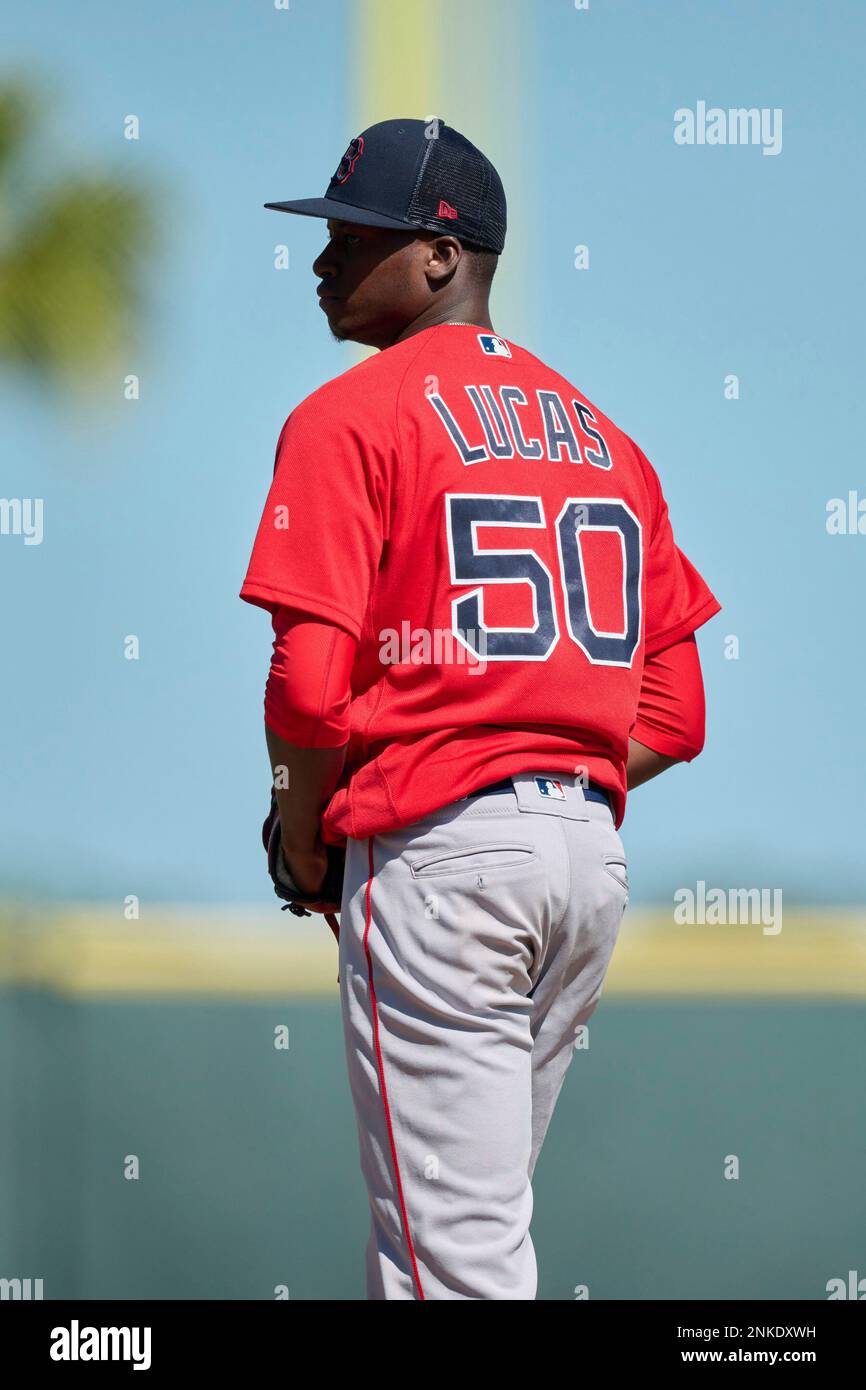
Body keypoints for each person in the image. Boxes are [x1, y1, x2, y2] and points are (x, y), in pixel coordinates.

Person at [240, 118, 721, 1300]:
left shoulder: (346, 416)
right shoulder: (607, 440)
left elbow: (306, 686)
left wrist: (306, 842)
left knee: (444, 1267)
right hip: (582, 861)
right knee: (475, 1234)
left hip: (444, 860)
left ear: (441, 256)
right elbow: (676, 710)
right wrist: (536, 754)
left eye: (356, 237)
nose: (322, 261)